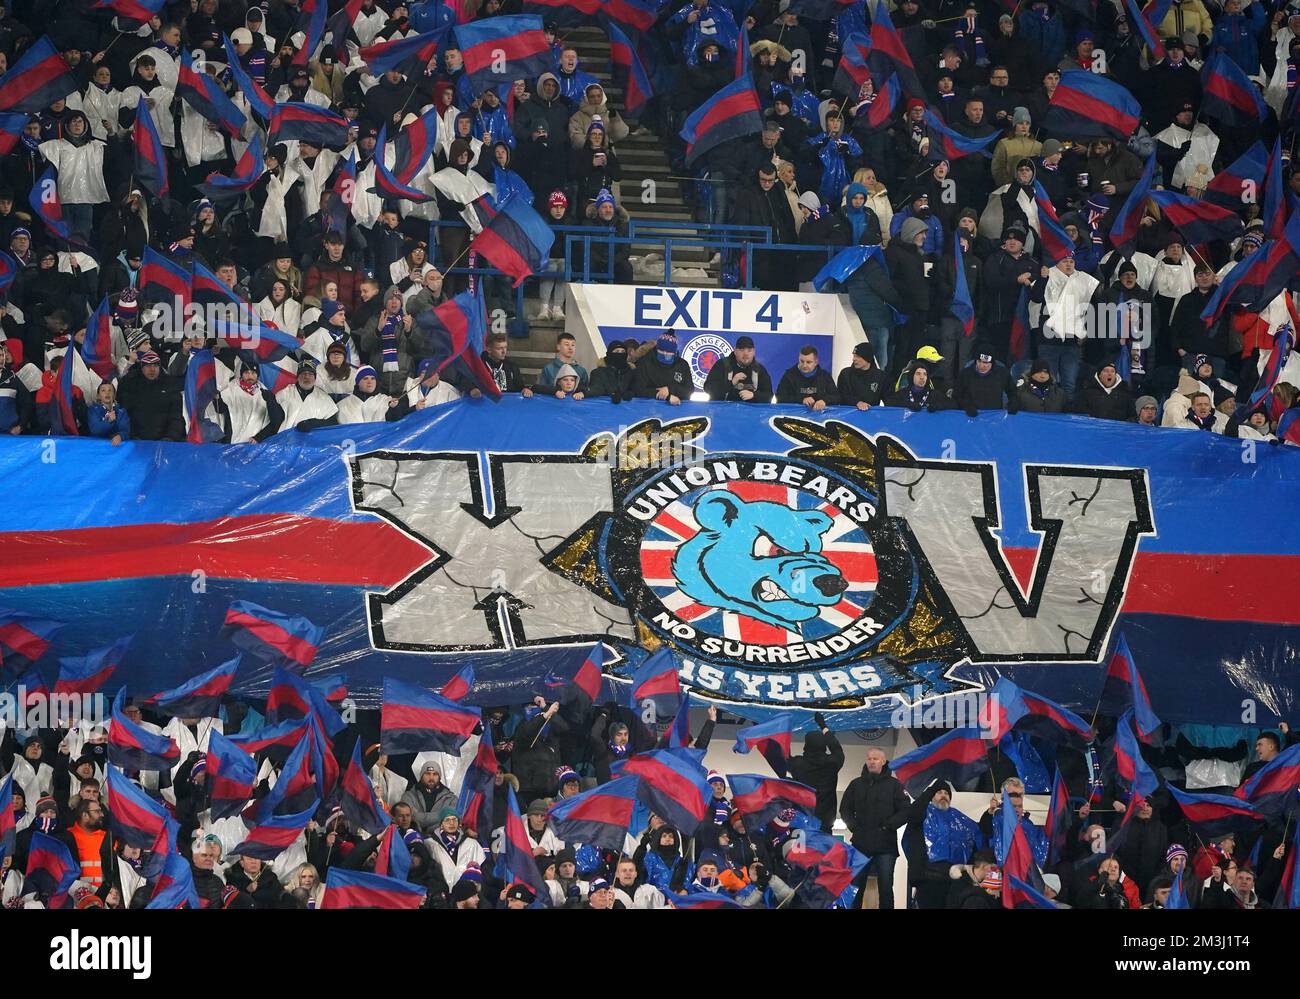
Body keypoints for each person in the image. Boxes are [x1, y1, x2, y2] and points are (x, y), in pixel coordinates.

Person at [839, 747, 910, 909]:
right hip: (860, 845)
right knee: (855, 889)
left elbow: (906, 810)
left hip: (886, 846)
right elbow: (845, 809)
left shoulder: (895, 785)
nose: (871, 762)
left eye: (875, 759)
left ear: (883, 762)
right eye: (869, 758)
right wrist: (855, 828)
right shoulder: (855, 784)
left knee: (885, 889)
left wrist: (890, 825)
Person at [703, 336, 772, 403]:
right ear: (735, 351)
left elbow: (769, 396)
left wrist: (754, 395)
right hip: (723, 411)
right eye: (742, 350)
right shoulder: (722, 365)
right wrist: (731, 383)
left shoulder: (759, 369)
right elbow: (708, 388)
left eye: (749, 350)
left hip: (750, 413)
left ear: (754, 352)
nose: (746, 354)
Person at [631, 331, 694, 404]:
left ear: (674, 352)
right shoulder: (645, 362)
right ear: (657, 348)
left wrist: (669, 389)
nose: (665, 353)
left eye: (668, 351)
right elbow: (638, 389)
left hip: (677, 409)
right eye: (661, 350)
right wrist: (665, 396)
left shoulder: (682, 365)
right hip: (649, 409)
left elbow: (689, 390)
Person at [776, 345, 838, 409]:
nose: (804, 365)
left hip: (819, 416)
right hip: (795, 417)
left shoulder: (824, 376)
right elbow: (780, 397)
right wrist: (801, 400)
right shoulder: (789, 376)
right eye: (802, 361)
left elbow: (836, 397)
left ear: (816, 362)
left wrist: (824, 401)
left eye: (808, 362)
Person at [836, 342, 887, 410]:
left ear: (867, 358)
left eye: (858, 356)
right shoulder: (845, 374)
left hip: (871, 417)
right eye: (854, 356)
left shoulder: (881, 376)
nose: (854, 359)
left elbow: (889, 399)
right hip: (848, 417)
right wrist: (857, 402)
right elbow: (841, 396)